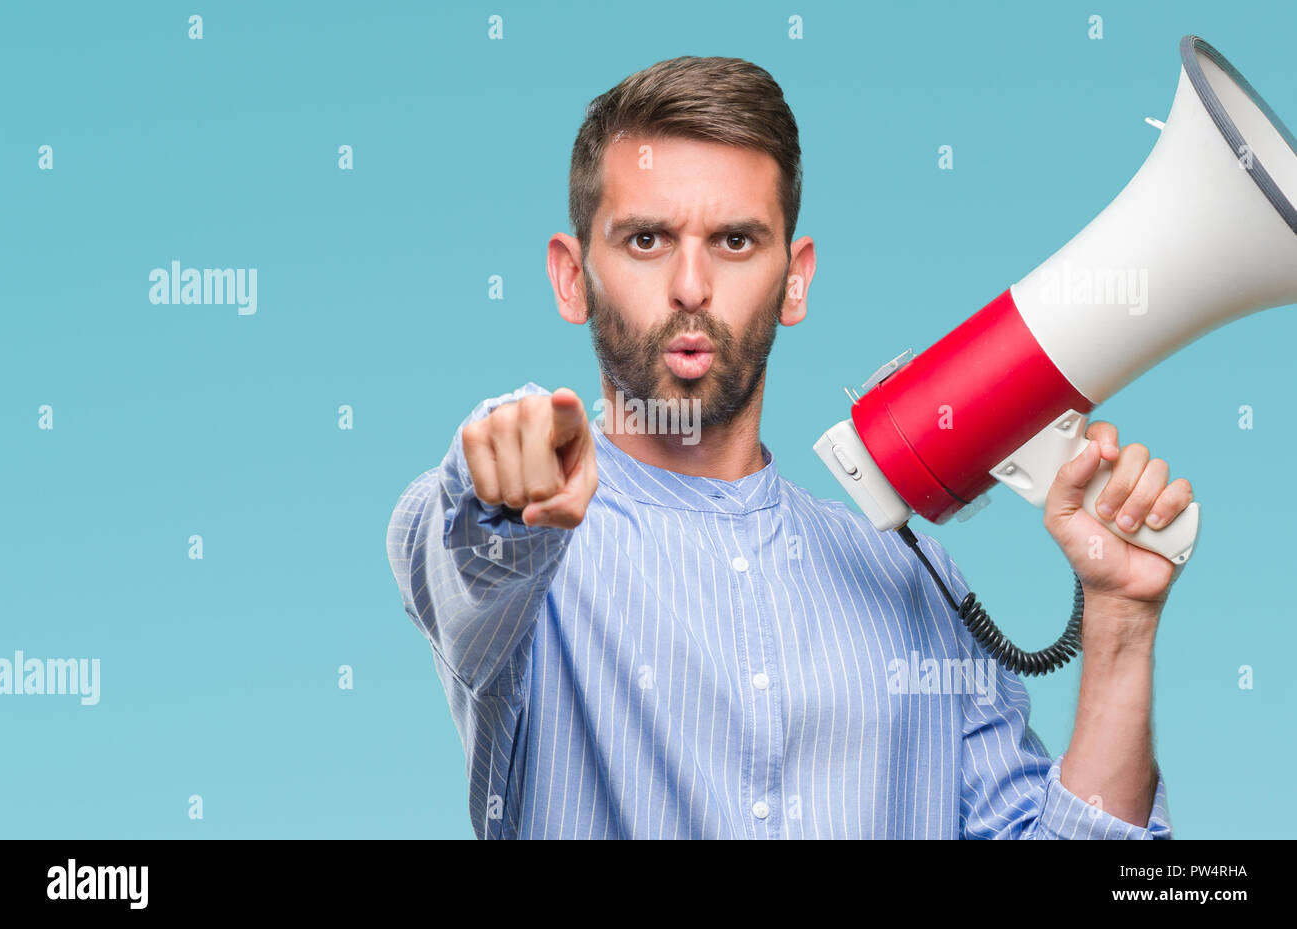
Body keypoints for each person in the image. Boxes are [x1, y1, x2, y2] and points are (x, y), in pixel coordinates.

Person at [386, 56, 1192, 839]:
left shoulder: (909, 579)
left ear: (794, 278)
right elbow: (464, 538)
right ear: (572, 277)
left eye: (735, 241)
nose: (692, 286)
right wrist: (504, 465)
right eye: (645, 241)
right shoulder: (525, 549)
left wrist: (1120, 623)